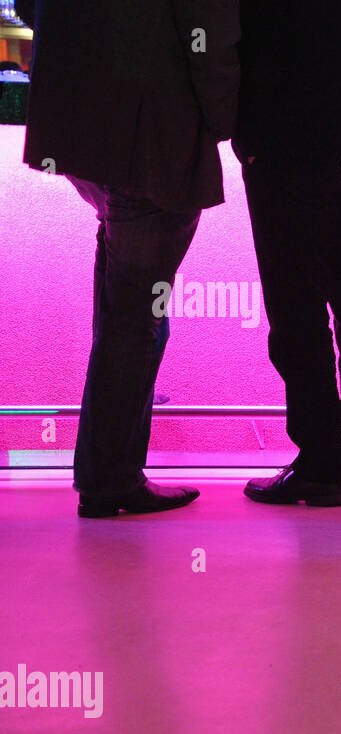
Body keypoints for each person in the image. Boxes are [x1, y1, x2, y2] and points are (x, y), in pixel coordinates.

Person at [19, 0, 238, 518]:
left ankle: (107, 473)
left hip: (83, 128)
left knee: (125, 303)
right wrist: (227, 119)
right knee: (136, 318)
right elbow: (210, 35)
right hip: (154, 134)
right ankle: (110, 480)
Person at [235, 2, 341, 507]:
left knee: (298, 310)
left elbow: (247, 42)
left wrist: (248, 136)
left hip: (291, 145)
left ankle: (320, 464)